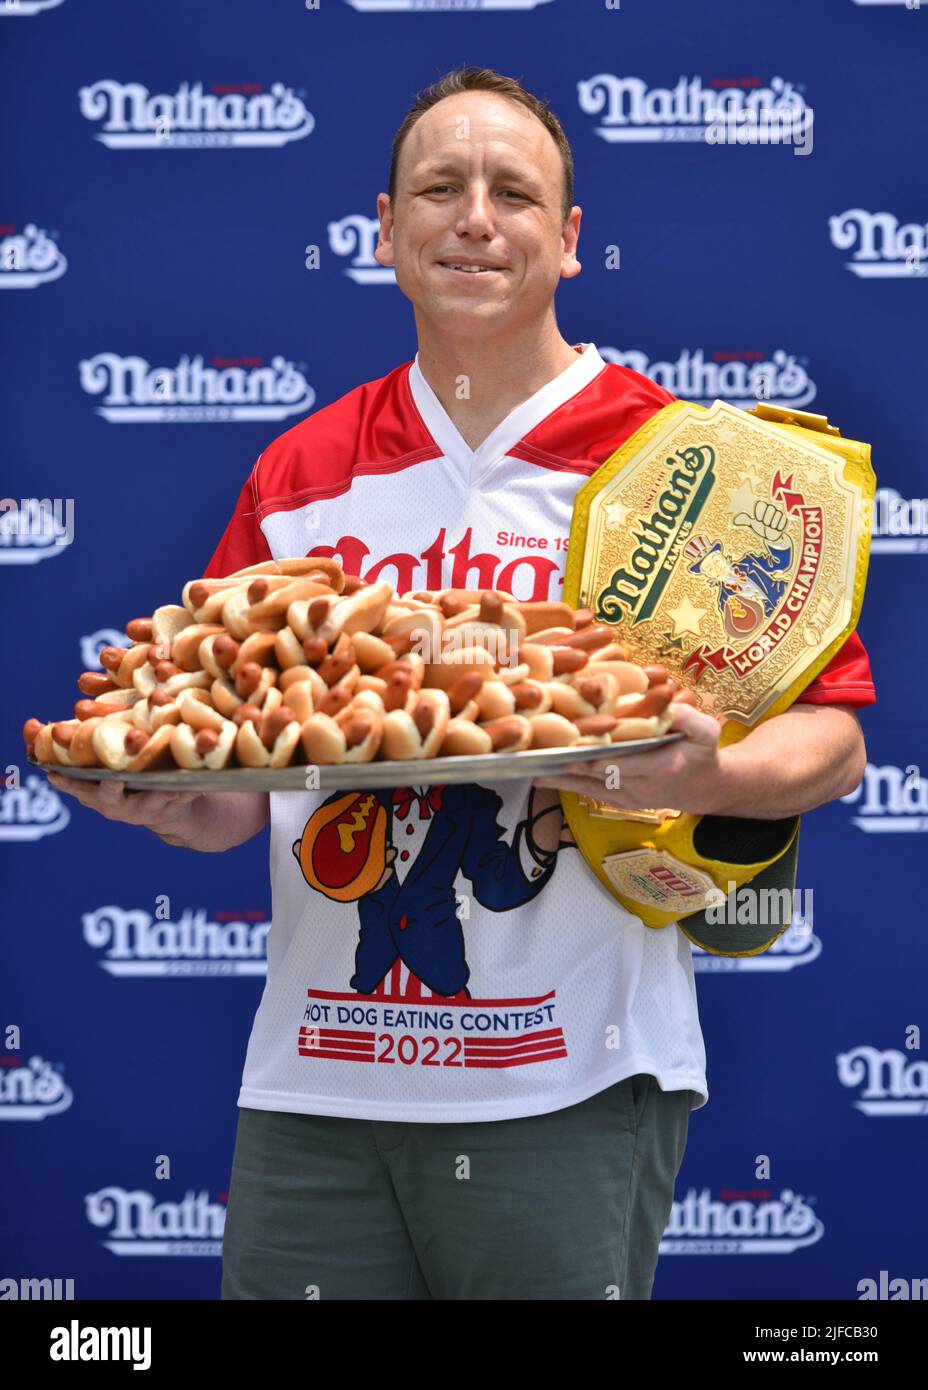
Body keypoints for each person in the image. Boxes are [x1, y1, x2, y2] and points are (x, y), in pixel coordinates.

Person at [47, 67, 876, 1301]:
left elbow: (833, 738)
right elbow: (236, 791)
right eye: (440, 188)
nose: (475, 219)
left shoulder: (673, 461)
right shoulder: (303, 472)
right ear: (383, 229)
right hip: (319, 1077)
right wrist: (167, 799)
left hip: (569, 1072)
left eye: (514, 193)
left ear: (569, 239)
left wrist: (712, 773)